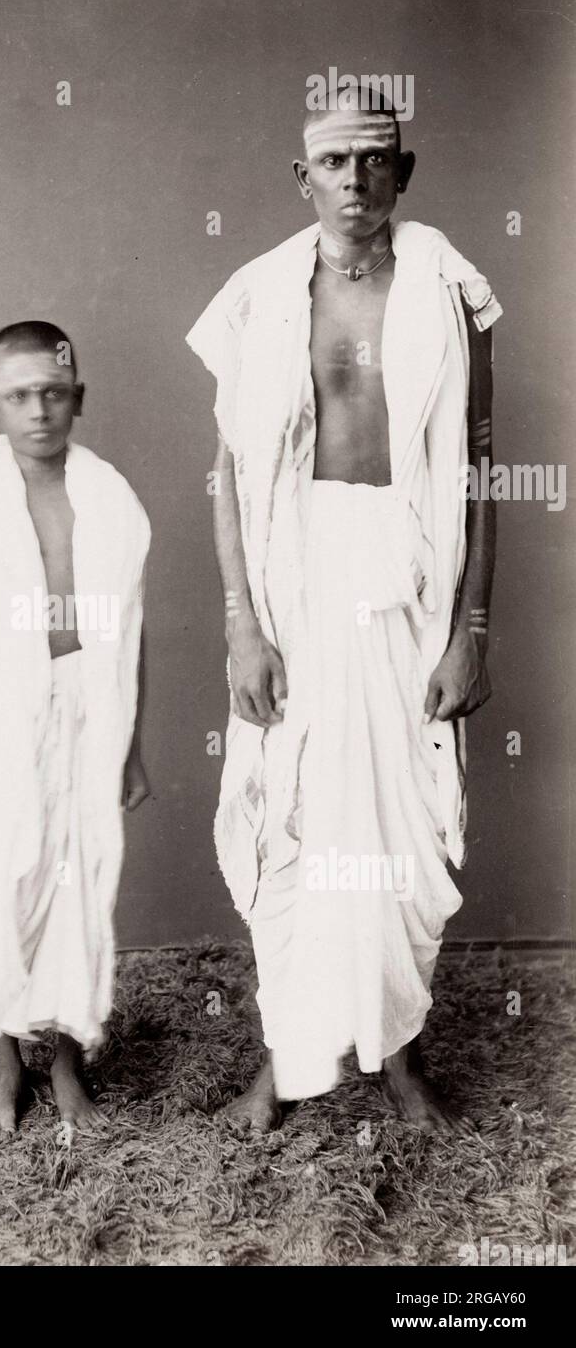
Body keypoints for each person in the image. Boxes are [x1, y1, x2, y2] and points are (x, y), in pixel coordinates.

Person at [186, 87, 501, 1132]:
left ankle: (400, 1059)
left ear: (403, 175)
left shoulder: (451, 287)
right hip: (294, 578)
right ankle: (288, 1063)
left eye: (377, 160)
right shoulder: (257, 298)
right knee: (292, 815)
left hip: (408, 576)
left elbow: (483, 468)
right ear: (302, 177)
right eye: (335, 162)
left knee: (400, 833)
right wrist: (242, 622)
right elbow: (229, 475)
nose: (356, 180)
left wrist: (473, 626)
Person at [0, 322, 150, 1136]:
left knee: (79, 879)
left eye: (53, 392)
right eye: (19, 397)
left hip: (87, 702)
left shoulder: (108, 494)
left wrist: (132, 743)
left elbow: (127, 629)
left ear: (77, 397)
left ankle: (66, 1062)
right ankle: (5, 1068)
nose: (39, 410)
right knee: (1, 884)